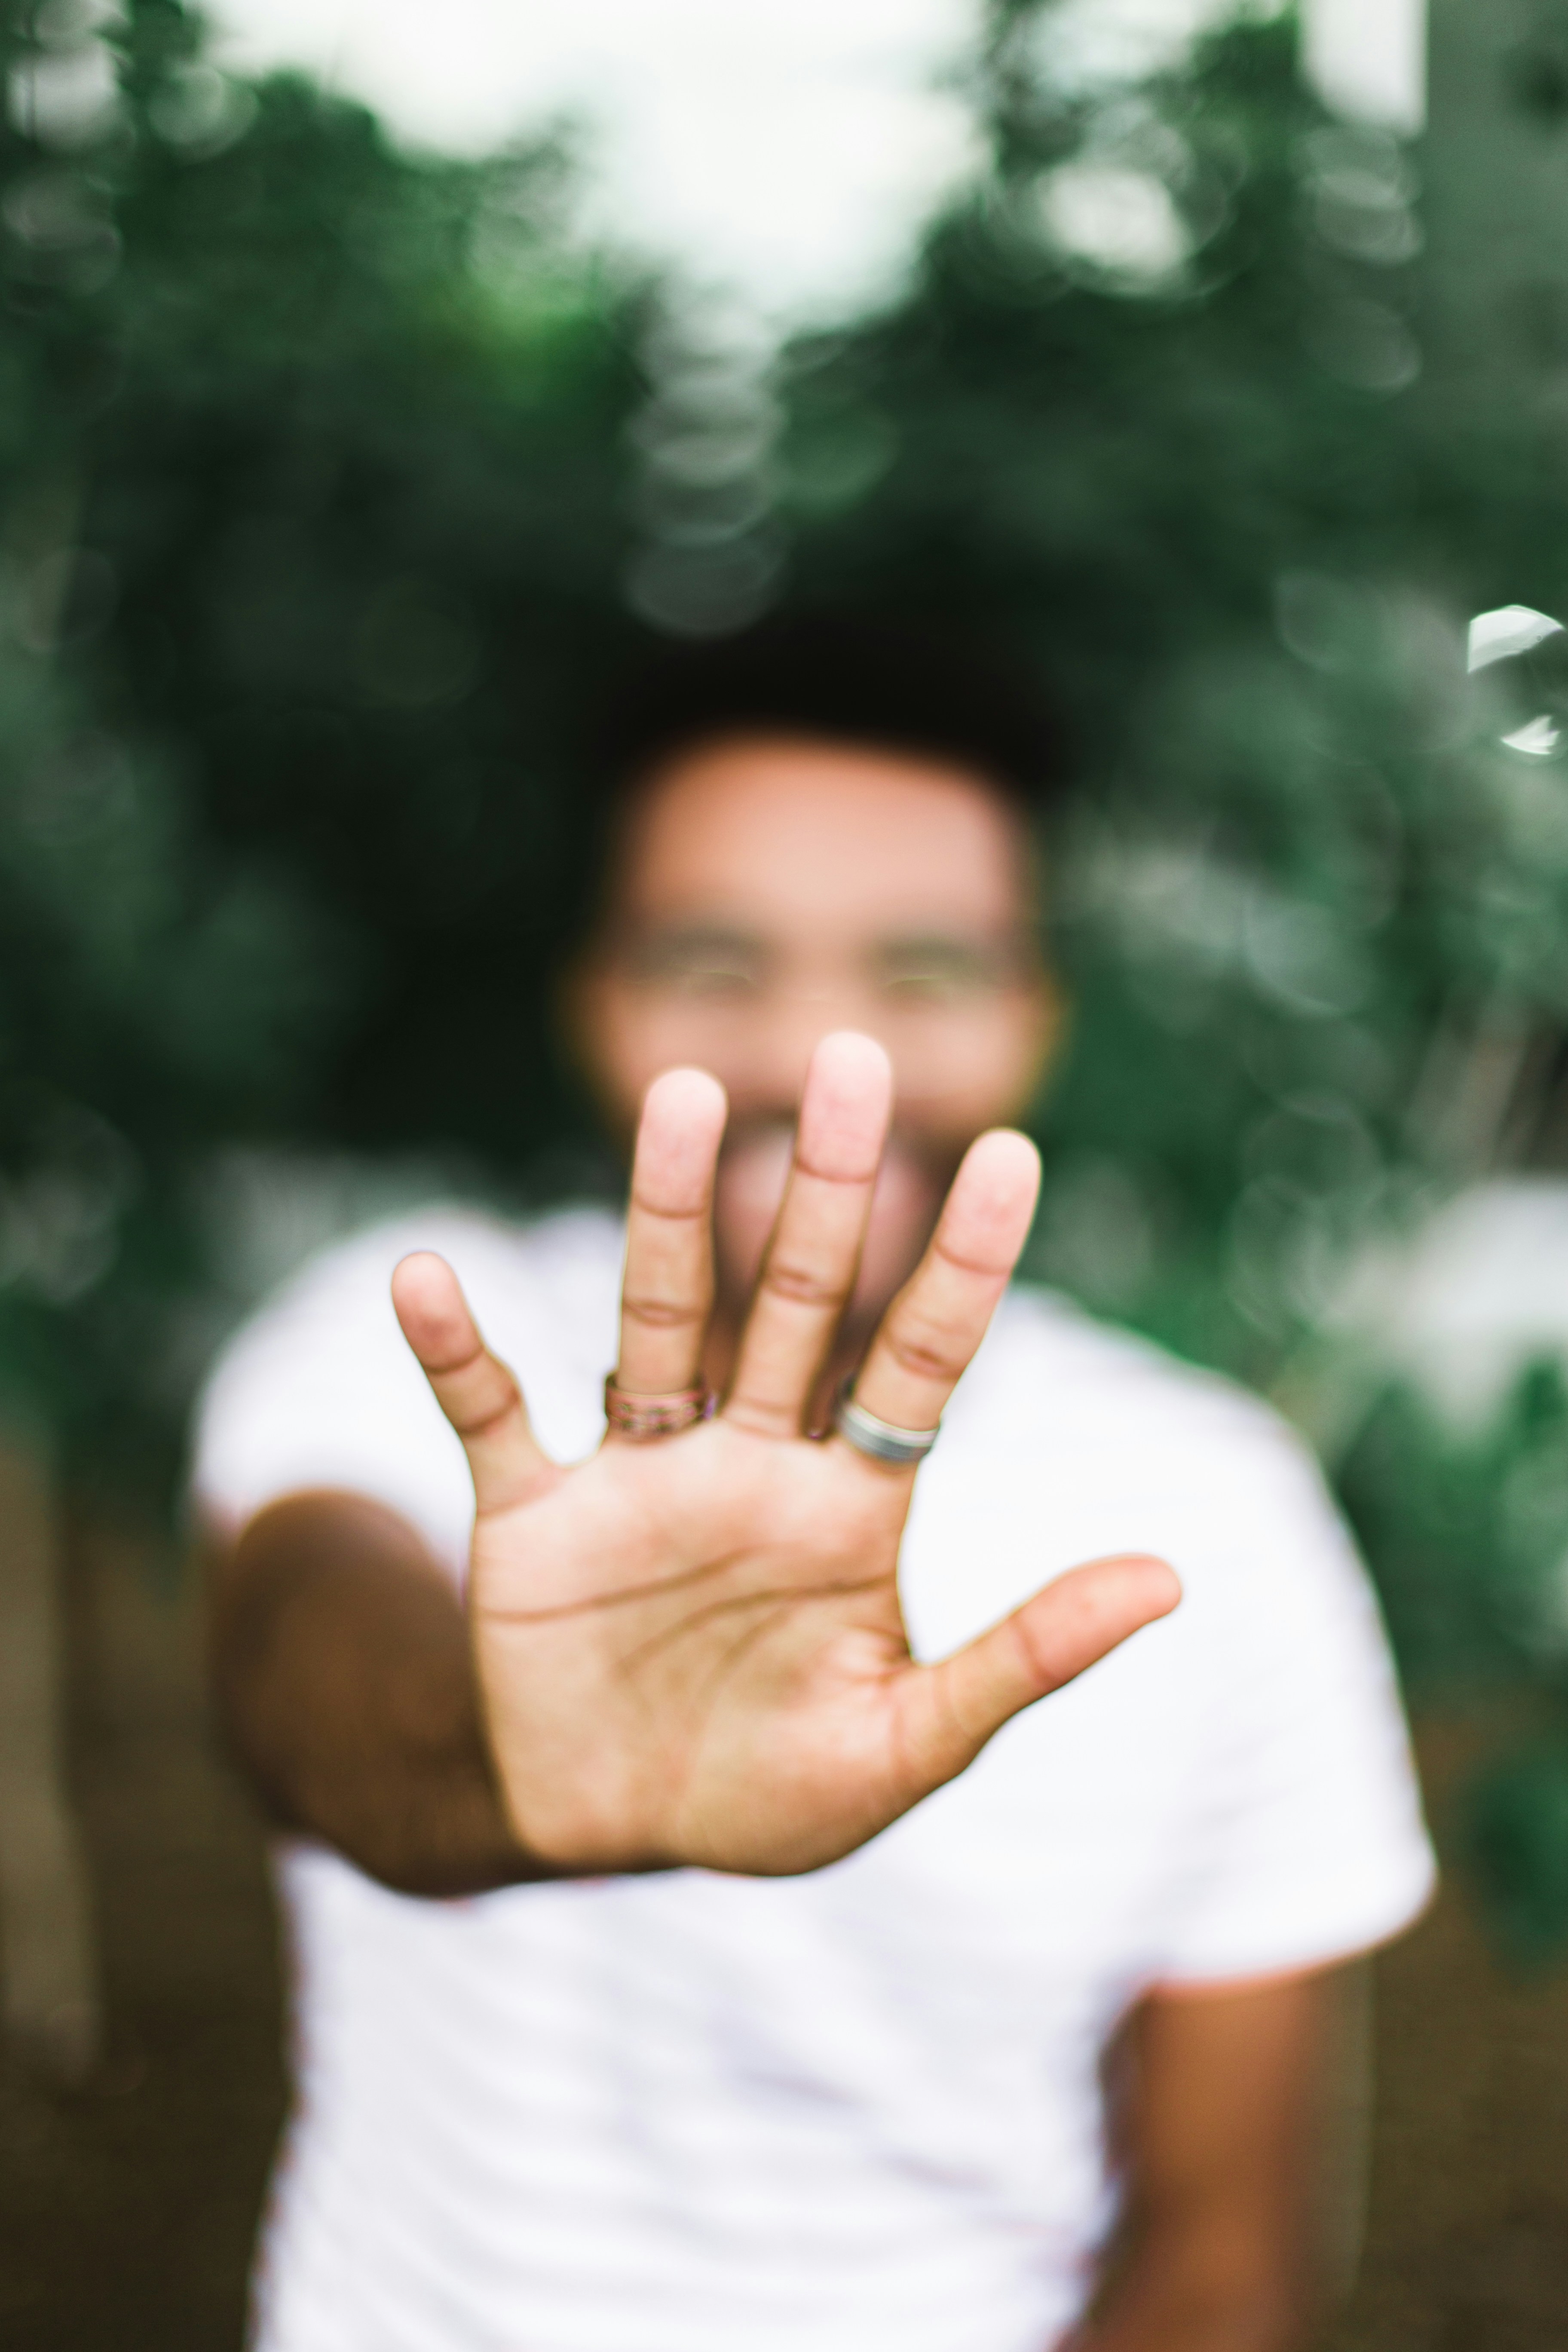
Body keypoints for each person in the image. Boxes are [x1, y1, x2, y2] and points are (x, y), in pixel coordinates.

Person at [196, 617, 1434, 2352]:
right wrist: (505, 1768)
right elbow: (302, 1677)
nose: (824, 1059)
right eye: (720, 963)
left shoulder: (1216, 1514)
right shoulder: (409, 1333)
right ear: (596, 1001)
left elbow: (1224, 2253)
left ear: (1039, 1018)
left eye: (921, 972)